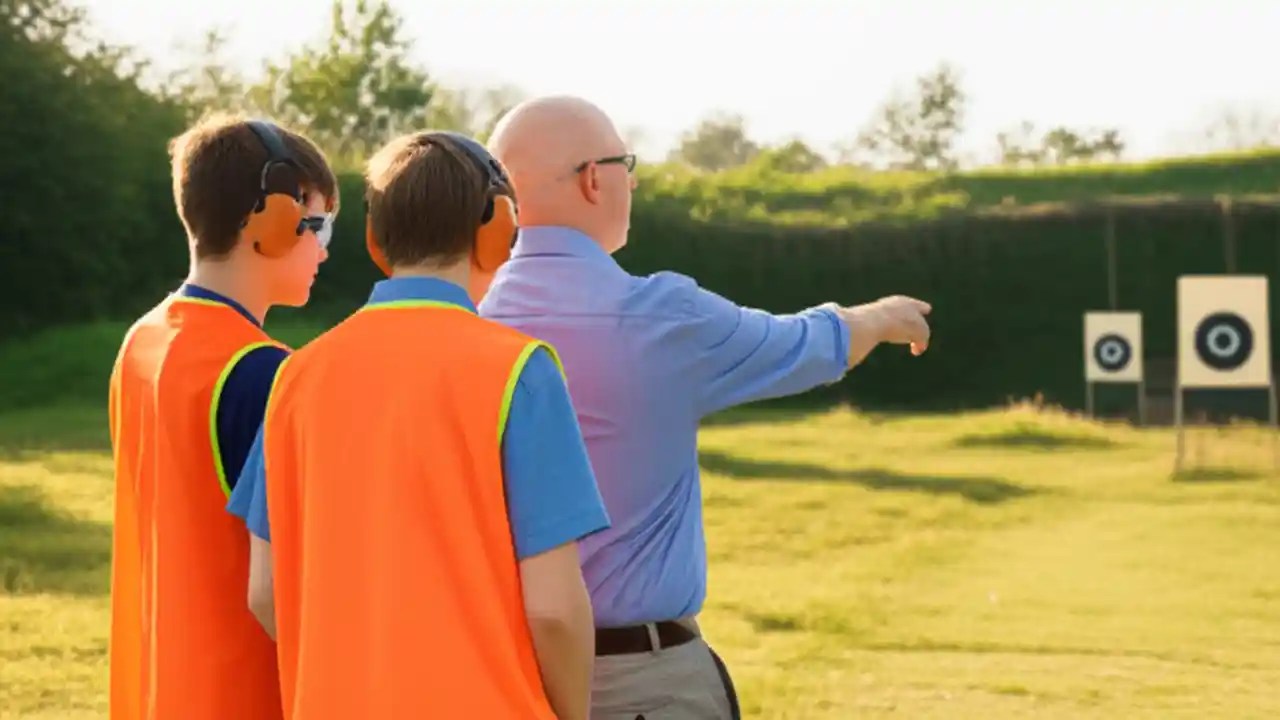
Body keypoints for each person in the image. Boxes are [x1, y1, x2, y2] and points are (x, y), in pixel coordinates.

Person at [478, 95, 933, 719]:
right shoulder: (664, 317)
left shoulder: (469, 318)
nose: (631, 180)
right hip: (644, 681)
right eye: (623, 163)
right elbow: (802, 344)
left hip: (497, 678)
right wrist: (879, 318)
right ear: (592, 179)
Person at [224, 130, 610, 719]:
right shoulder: (520, 371)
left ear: (376, 241)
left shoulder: (295, 378)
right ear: (498, 232)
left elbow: (264, 593)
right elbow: (554, 608)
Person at [106, 113, 337, 720]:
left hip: (157, 691)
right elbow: (288, 589)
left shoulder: (141, 341)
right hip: (245, 696)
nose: (324, 248)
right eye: (318, 224)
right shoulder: (265, 373)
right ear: (274, 218)